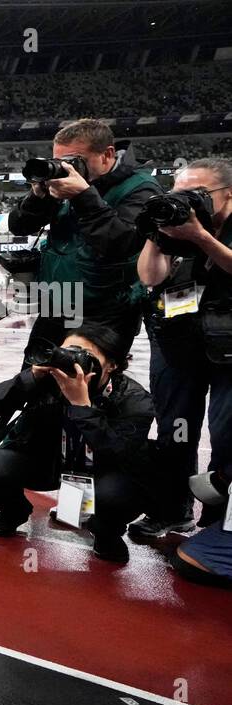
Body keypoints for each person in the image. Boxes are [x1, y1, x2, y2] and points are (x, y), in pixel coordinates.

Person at [0, 325, 156, 562]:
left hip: (103, 473)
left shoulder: (134, 400)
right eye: (67, 352)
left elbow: (118, 453)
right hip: (50, 463)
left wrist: (82, 407)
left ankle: (107, 533)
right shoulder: (49, 380)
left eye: (84, 356)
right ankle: (14, 511)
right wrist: (29, 377)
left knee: (116, 495)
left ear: (112, 364)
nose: (73, 364)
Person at [129, 157, 232, 539]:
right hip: (177, 342)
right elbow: (149, 276)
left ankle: (220, 520)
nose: (186, 201)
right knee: (175, 430)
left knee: (227, 434)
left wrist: (200, 237)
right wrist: (158, 233)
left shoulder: (206, 230)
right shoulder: (174, 223)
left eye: (197, 194)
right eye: (178, 193)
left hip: (228, 350)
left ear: (228, 194)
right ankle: (172, 510)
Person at [6, 119, 161, 359]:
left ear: (107, 155)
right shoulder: (62, 184)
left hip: (107, 309)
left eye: (74, 161)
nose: (67, 169)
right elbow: (19, 226)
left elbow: (123, 243)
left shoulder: (141, 188)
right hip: (58, 300)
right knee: (36, 375)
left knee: (84, 382)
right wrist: (37, 198)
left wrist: (83, 196)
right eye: (60, 162)